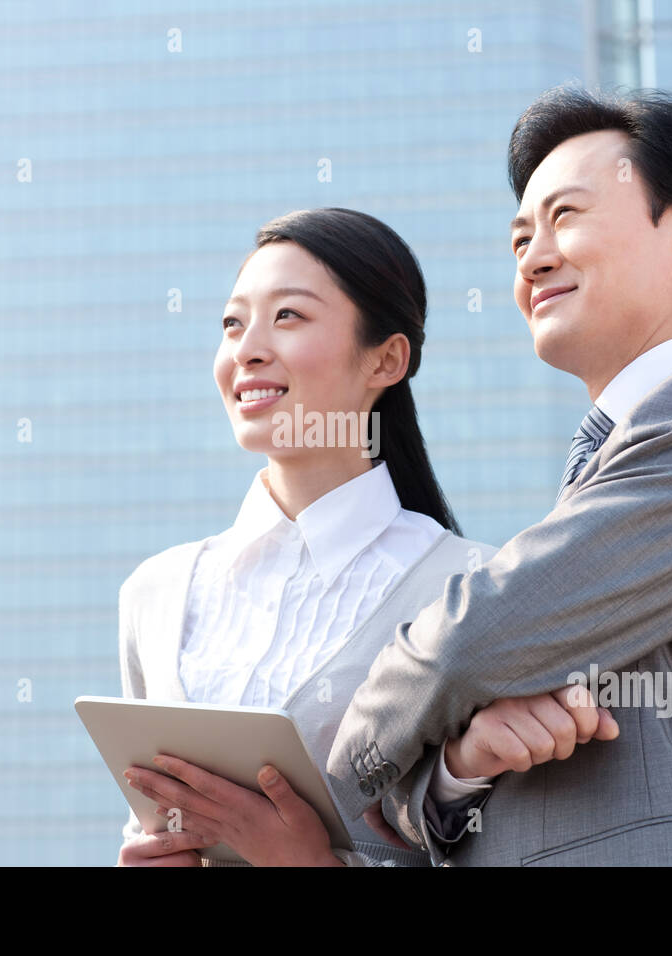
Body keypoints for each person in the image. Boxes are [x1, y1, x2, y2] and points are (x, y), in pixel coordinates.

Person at [327, 87, 672, 866]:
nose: (533, 256)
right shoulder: (606, 465)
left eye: (565, 217)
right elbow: (499, 661)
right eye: (520, 237)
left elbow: (480, 635)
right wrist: (460, 768)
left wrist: (354, 749)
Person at [114, 207, 618, 867]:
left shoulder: (472, 587)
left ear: (386, 359)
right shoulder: (155, 593)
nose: (248, 348)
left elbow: (509, 847)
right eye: (233, 323)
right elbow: (149, 823)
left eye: (287, 316)